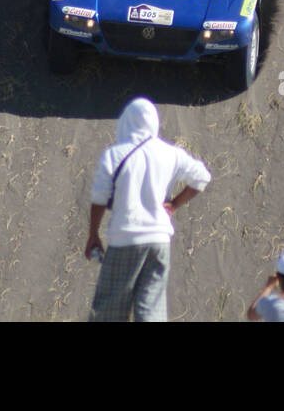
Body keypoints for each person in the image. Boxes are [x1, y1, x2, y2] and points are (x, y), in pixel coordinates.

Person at [85, 97, 211, 322]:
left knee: (109, 310)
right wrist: (174, 204)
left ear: (125, 122)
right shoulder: (170, 153)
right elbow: (202, 177)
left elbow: (99, 198)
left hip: (126, 238)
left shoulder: (114, 155)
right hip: (160, 240)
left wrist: (93, 234)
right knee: (152, 311)